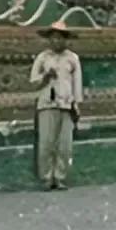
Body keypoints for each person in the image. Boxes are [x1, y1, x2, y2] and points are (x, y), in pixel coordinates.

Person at [29, 21, 83, 190]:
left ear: (66, 40)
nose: (57, 41)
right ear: (49, 40)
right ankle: (46, 177)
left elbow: (77, 83)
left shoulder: (72, 59)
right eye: (53, 38)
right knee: (46, 143)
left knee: (64, 145)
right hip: (47, 104)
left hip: (66, 105)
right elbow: (33, 82)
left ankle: (59, 177)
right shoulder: (43, 58)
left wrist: (77, 104)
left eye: (60, 38)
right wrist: (45, 76)